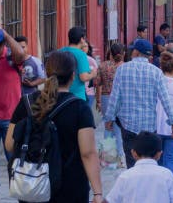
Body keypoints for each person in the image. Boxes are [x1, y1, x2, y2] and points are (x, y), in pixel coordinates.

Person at [6, 50, 104, 203]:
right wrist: (97, 193)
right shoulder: (79, 108)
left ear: (46, 72)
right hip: (70, 188)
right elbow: (88, 153)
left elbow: (9, 145)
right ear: (73, 75)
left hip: (33, 185)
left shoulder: (26, 103)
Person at [103, 38, 173, 169]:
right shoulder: (156, 72)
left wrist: (109, 118)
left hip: (128, 125)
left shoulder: (122, 70)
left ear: (136, 52)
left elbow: (115, 98)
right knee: (149, 162)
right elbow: (166, 99)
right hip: (149, 126)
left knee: (131, 163)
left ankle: (134, 185)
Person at [0, 27, 27, 202]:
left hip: (10, 119)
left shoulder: (10, 57)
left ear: (1, 45)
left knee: (13, 158)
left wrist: (5, 34)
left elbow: (21, 55)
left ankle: (21, 192)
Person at [105, 131, 173, 203]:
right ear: (159, 154)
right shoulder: (166, 174)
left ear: (133, 153)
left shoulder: (125, 176)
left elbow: (110, 200)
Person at [59, 26, 97, 101]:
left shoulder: (60, 51)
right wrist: (93, 74)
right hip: (77, 96)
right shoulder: (81, 54)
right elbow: (84, 77)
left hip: (60, 95)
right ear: (81, 39)